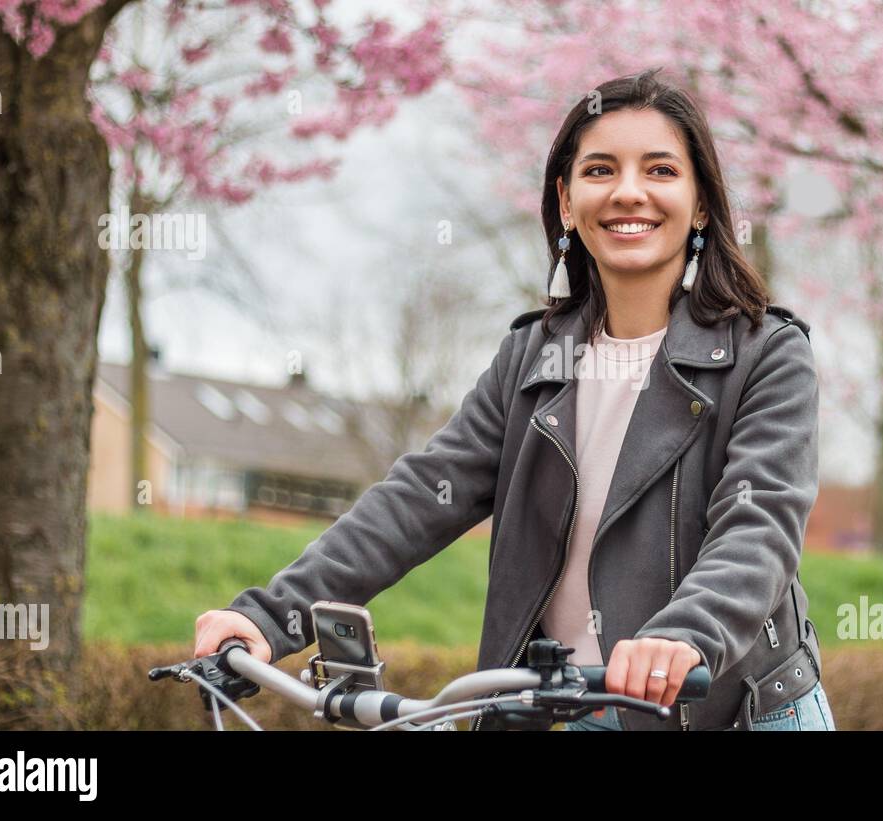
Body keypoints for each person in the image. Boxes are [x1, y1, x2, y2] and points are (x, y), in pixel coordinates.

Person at [194, 67, 834, 732]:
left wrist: (684, 634)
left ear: (701, 203)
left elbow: (757, 524)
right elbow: (422, 492)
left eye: (661, 170)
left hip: (736, 714)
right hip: (579, 710)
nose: (629, 192)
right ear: (565, 200)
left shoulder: (766, 354)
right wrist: (270, 614)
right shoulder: (533, 357)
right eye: (600, 170)